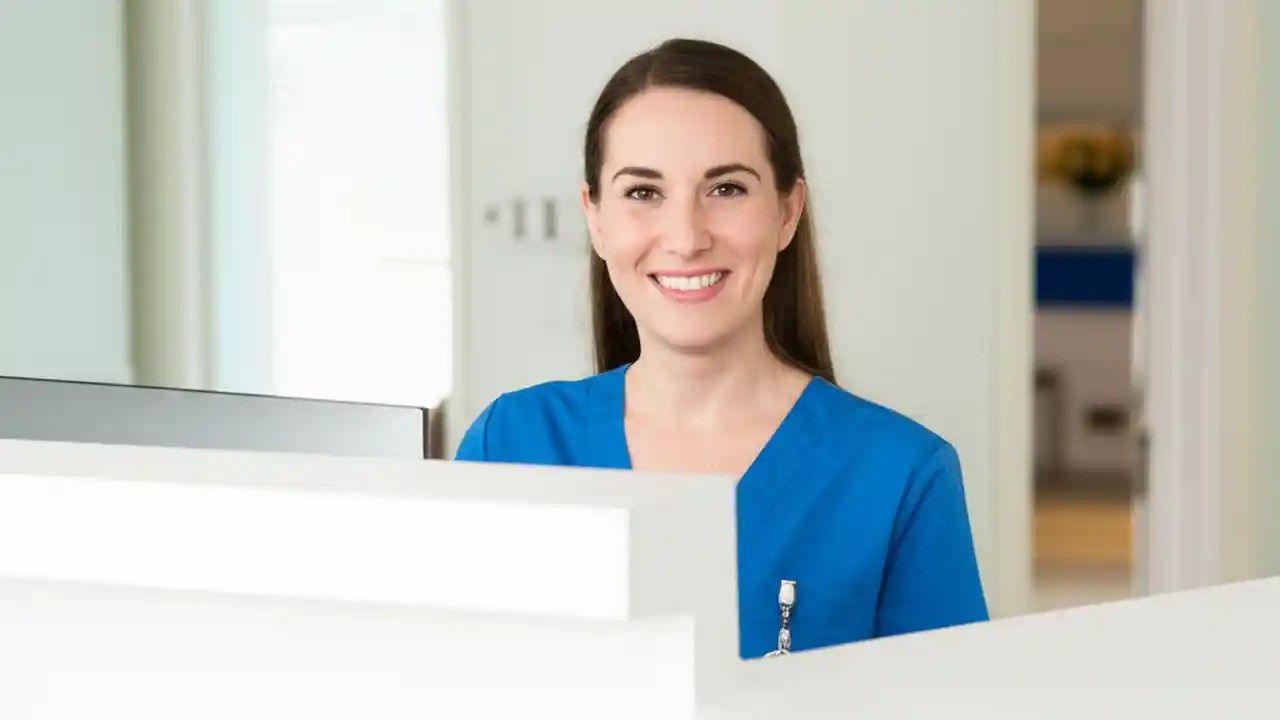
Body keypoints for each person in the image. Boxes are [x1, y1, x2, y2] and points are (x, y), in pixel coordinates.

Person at [455, 38, 988, 658]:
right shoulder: (511, 445)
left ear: (787, 211)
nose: (686, 238)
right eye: (643, 192)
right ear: (594, 217)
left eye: (727, 189)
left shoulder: (900, 476)